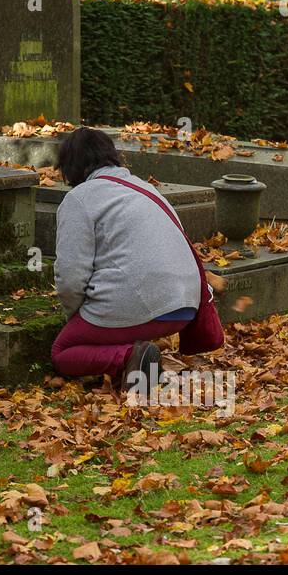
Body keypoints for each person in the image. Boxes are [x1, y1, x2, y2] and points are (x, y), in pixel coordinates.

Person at [51, 127, 205, 388]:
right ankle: (140, 357)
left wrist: (74, 316)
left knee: (62, 352)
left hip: (141, 305)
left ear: (70, 166)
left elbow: (70, 278)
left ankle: (129, 358)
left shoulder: (79, 199)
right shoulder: (147, 189)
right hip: (186, 306)